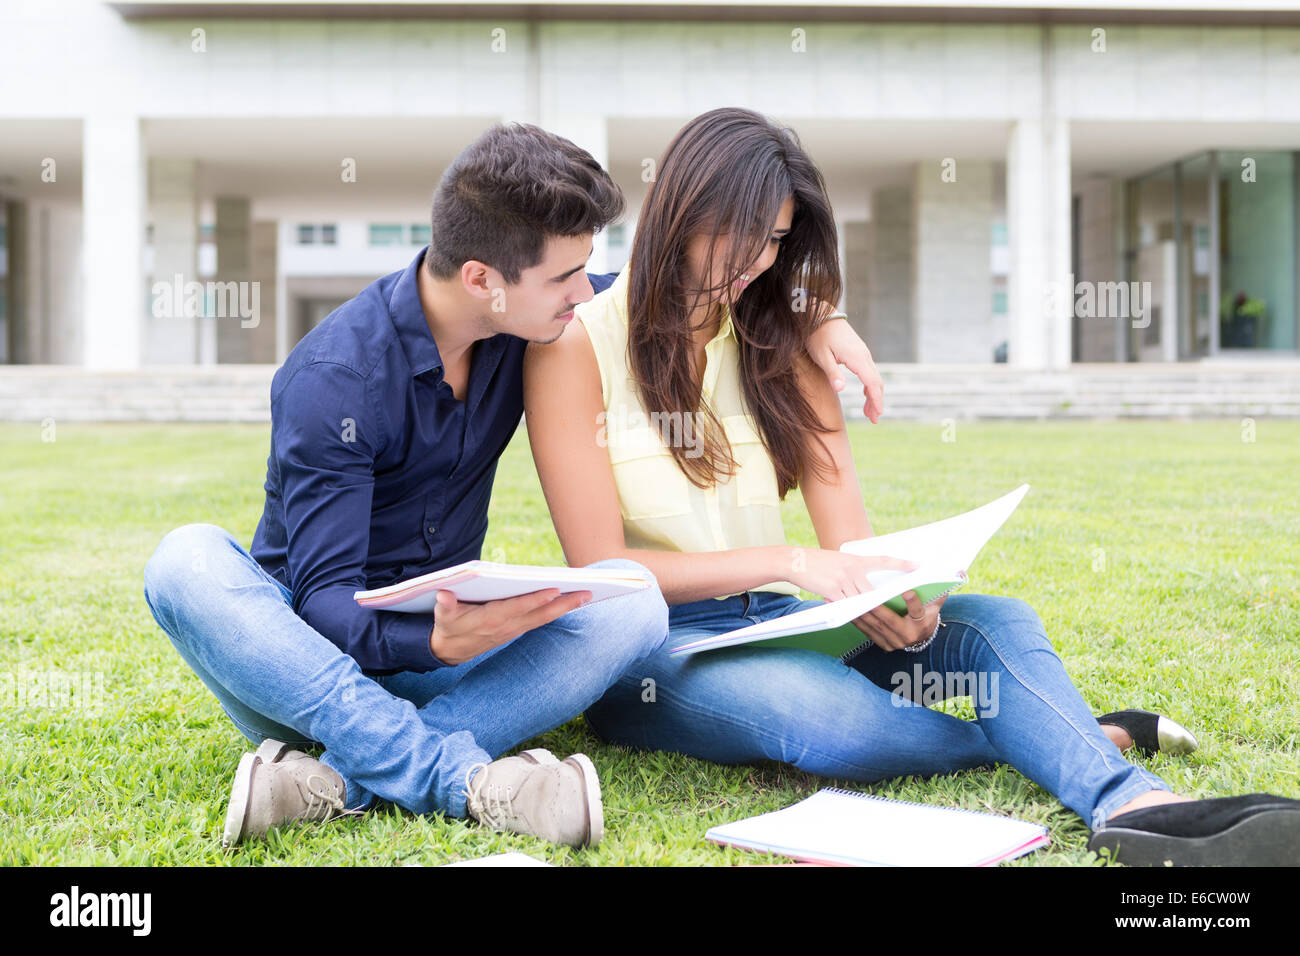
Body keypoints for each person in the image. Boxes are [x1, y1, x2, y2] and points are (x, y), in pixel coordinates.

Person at [522, 106, 1300, 865]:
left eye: (778, 240)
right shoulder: (576, 346)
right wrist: (789, 563)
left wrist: (898, 602)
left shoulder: (785, 345)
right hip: (656, 651)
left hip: (788, 628)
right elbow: (605, 572)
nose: (757, 259)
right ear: (681, 209)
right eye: (743, 232)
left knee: (993, 624)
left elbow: (849, 548)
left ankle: (1131, 802)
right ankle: (1078, 734)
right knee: (835, 724)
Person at [142, 120, 888, 850]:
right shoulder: (334, 380)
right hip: (312, 682)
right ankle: (461, 778)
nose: (584, 295)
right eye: (566, 278)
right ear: (482, 281)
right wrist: (425, 637)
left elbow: (662, 291)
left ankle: (335, 783)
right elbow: (323, 602)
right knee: (186, 558)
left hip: (467, 676)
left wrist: (816, 316)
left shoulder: (526, 324)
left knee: (625, 597)